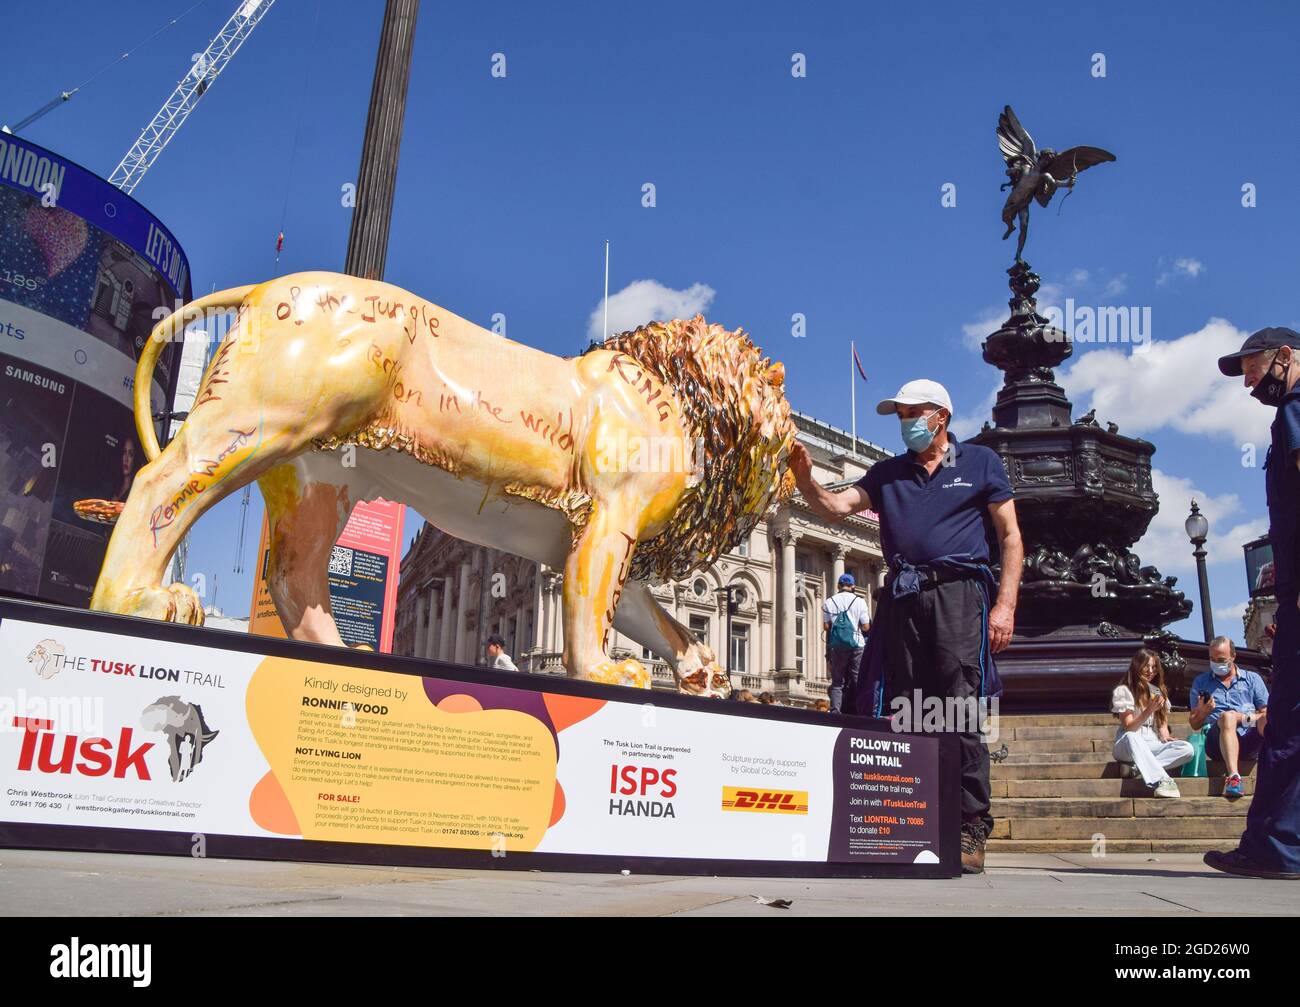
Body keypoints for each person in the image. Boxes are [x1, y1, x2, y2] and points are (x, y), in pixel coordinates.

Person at [789, 378, 1023, 874]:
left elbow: (1010, 536)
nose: (905, 423)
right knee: (907, 706)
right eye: (900, 415)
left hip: (959, 593)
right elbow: (835, 506)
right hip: (902, 595)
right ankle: (916, 820)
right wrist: (806, 478)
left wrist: (1005, 605)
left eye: (913, 413)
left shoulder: (980, 462)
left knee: (957, 708)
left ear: (941, 416)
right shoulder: (887, 473)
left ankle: (970, 824)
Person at [1206, 328, 1300, 878]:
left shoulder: (1294, 409)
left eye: (1254, 373)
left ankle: (1274, 849)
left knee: (1286, 725)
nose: (1250, 386)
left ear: (1285, 357)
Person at [1189, 636, 1269, 799]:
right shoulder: (1201, 682)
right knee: (1227, 717)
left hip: (1248, 738)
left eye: (1221, 659)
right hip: (1216, 742)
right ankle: (1233, 777)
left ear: (1233, 656)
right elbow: (1194, 724)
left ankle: (1279, 764)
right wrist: (1203, 713)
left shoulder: (1252, 679)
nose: (1216, 663)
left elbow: (1266, 713)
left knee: (1262, 719)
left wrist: (1242, 718)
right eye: (1212, 659)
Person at [1111, 648, 1194, 797]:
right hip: (1127, 743)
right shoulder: (1124, 690)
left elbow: (1162, 723)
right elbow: (1129, 727)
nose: (1150, 671)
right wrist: (1148, 710)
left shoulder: (1157, 690)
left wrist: (1165, 736)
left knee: (1187, 749)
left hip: (1151, 740)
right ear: (1137, 666)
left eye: (1154, 667)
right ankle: (1164, 780)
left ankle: (1136, 769)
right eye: (1146, 666)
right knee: (1132, 737)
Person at [822, 572, 870, 713]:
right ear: (853, 586)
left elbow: (826, 627)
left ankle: (835, 710)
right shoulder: (859, 601)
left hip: (837, 645)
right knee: (857, 678)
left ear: (838, 585)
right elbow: (866, 626)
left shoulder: (829, 601)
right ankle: (861, 709)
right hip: (857, 644)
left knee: (837, 681)